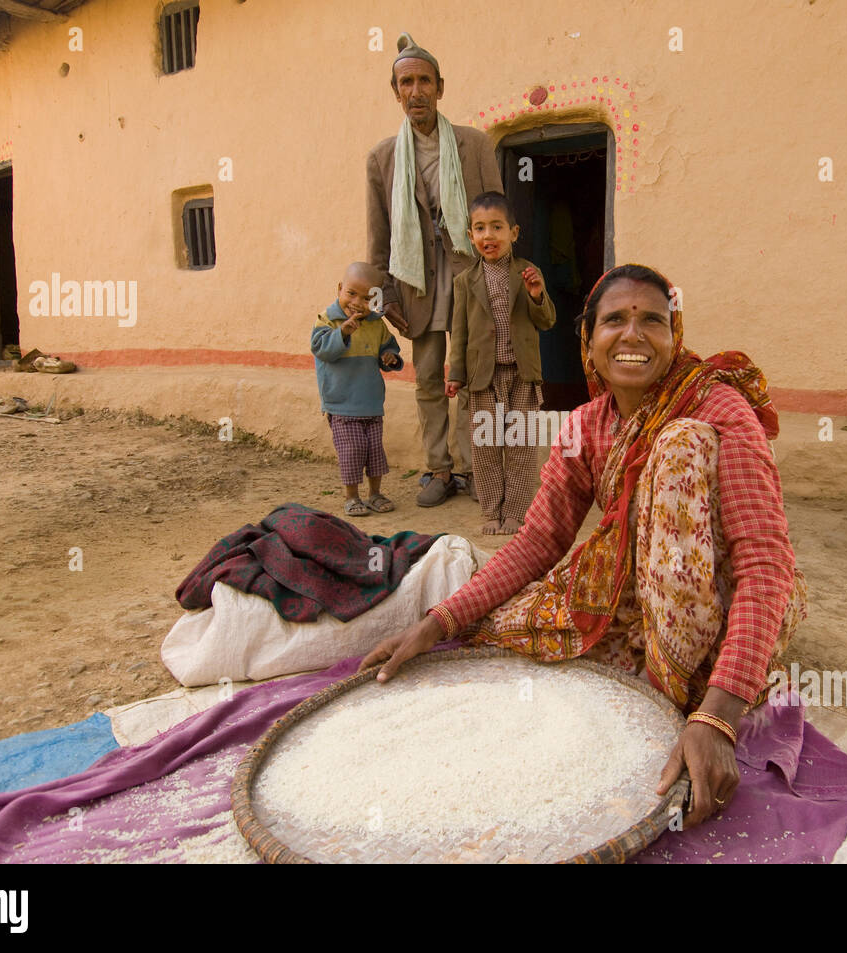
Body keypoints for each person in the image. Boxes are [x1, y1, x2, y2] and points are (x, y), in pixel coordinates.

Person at [360, 264, 808, 827]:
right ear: (589, 343)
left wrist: (720, 715)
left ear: (676, 335)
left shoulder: (717, 408)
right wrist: (439, 621)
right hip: (648, 595)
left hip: (730, 594)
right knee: (510, 630)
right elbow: (540, 541)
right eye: (614, 320)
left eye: (653, 320)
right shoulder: (585, 426)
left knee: (680, 443)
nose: (634, 335)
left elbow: (764, 564)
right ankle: (673, 672)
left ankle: (695, 687)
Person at [366, 33, 504, 507]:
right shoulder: (382, 158)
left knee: (471, 377)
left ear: (440, 87)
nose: (416, 90)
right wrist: (384, 296)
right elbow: (379, 233)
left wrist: (499, 280)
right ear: (396, 92)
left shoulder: (475, 145)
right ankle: (439, 470)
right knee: (428, 378)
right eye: (407, 82)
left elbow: (495, 217)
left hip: (470, 279)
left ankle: (472, 469)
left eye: (425, 80)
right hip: (416, 284)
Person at [447, 192, 557, 535]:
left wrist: (537, 294)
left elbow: (547, 320)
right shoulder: (464, 282)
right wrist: (455, 374)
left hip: (521, 376)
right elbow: (460, 332)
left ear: (514, 232)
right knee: (486, 448)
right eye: (479, 228)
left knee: (521, 447)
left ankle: (516, 512)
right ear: (470, 236)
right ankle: (491, 512)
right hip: (483, 378)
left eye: (497, 227)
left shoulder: (528, 273)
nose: (488, 236)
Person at [310, 262, 404, 517]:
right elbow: (321, 349)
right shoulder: (328, 319)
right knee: (351, 451)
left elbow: (389, 347)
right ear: (340, 288)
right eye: (351, 293)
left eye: (367, 297)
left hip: (371, 401)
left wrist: (389, 357)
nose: (358, 302)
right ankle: (352, 497)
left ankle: (375, 494)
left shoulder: (376, 324)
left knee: (374, 451)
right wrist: (342, 332)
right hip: (341, 403)